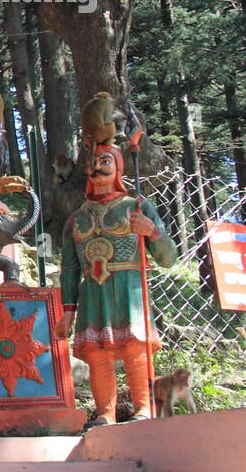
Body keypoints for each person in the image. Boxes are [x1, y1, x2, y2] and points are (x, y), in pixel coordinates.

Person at [56, 137, 176, 426]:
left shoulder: (138, 208)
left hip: (129, 287)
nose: (97, 168)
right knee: (97, 354)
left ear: (120, 168)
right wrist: (68, 313)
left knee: (136, 348)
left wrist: (152, 233)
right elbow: (69, 269)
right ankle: (104, 413)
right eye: (92, 163)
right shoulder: (75, 220)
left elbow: (168, 258)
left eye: (105, 161)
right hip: (92, 292)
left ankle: (144, 408)